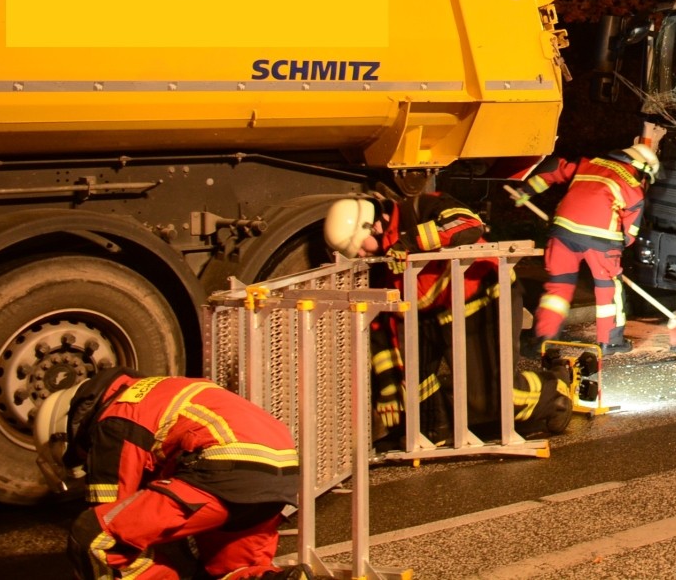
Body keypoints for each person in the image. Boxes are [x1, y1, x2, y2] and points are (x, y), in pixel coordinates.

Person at [324, 194, 569, 443]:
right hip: (436, 315)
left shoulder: (420, 208)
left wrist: (409, 241)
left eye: (361, 247)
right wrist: (388, 385)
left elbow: (468, 225)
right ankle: (435, 426)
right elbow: (381, 323)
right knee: (411, 373)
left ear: (373, 225)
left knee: (492, 400)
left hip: (482, 298)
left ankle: (555, 390)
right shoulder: (382, 260)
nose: (363, 256)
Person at [32, 370, 307, 580]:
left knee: (93, 536)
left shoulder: (118, 415)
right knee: (233, 571)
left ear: (68, 428)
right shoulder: (157, 391)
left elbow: (112, 512)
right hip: (277, 474)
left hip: (223, 468)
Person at [514, 143, 658, 355]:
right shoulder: (633, 187)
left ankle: (542, 340)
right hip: (602, 241)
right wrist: (616, 253)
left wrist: (527, 190)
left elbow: (555, 167)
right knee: (608, 290)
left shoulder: (588, 164)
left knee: (558, 289)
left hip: (562, 233)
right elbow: (631, 231)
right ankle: (610, 342)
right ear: (641, 167)